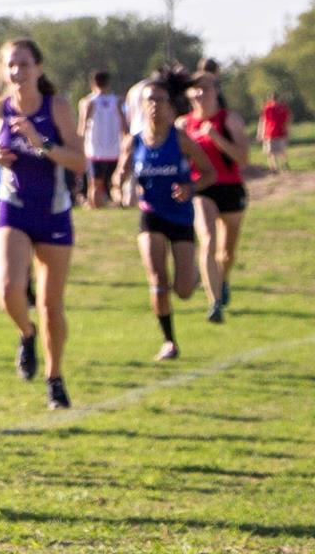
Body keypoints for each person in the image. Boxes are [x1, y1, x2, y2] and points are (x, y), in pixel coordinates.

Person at [0, 39, 84, 410]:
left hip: (53, 211)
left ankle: (54, 379)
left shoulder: (58, 107)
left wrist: (41, 144)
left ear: (39, 68)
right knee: (7, 289)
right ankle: (26, 332)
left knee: (52, 305)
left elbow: (79, 162)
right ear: (3, 71)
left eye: (24, 64)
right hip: (13, 208)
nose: (17, 72)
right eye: (10, 65)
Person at [115, 72, 218, 360]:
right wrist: (122, 189)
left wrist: (191, 187)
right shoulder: (132, 143)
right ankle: (169, 341)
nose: (155, 106)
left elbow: (209, 173)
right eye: (150, 101)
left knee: (183, 290)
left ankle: (192, 276)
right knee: (157, 279)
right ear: (141, 106)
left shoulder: (182, 140)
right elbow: (119, 176)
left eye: (161, 101)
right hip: (151, 216)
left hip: (181, 217)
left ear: (172, 107)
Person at [183, 68, 249, 321]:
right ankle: (214, 303)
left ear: (216, 91)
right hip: (201, 188)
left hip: (231, 188)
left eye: (206, 88)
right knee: (208, 240)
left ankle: (223, 280)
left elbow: (243, 158)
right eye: (195, 88)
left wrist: (216, 137)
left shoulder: (229, 120)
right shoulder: (183, 124)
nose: (200, 93)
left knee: (227, 252)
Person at [76, 71, 124, 207]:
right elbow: (124, 124)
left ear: (93, 83)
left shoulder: (88, 102)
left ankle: (95, 207)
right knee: (114, 181)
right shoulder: (118, 101)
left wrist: (78, 145)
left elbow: (82, 126)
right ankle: (113, 205)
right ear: (108, 83)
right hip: (114, 149)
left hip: (95, 150)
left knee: (95, 183)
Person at [259, 92, 290, 172]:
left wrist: (287, 131)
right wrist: (261, 132)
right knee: (272, 151)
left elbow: (286, 121)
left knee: (277, 151)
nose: (274, 101)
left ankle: (281, 165)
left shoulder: (281, 108)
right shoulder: (269, 108)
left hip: (276, 132)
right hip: (270, 132)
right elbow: (263, 120)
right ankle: (275, 167)